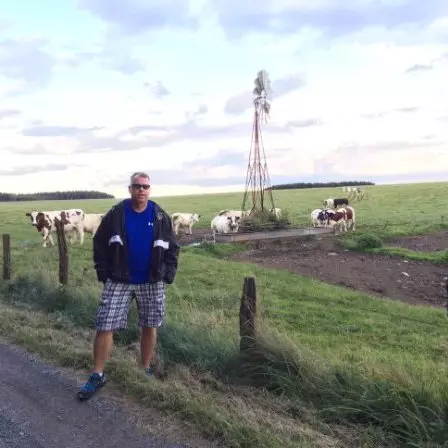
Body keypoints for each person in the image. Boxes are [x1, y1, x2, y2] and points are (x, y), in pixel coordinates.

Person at [77, 172, 180, 401]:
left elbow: (173, 247)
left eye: (145, 187)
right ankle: (98, 374)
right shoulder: (116, 213)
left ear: (149, 190)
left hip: (151, 281)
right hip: (119, 279)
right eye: (137, 186)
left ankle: (144, 369)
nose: (141, 190)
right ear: (130, 189)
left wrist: (169, 273)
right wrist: (103, 271)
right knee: (105, 324)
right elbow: (99, 243)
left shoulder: (160, 215)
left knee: (150, 325)